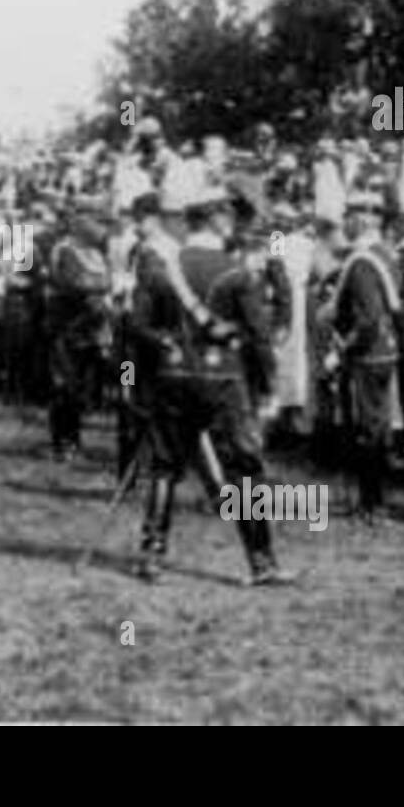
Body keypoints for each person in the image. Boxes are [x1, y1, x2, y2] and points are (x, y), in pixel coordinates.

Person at [130, 180, 292, 586]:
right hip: (224, 380)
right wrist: (270, 385)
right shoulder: (236, 272)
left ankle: (152, 556)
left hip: (173, 376)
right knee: (244, 469)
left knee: (165, 468)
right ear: (219, 219)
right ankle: (261, 562)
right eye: (229, 216)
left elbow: (137, 324)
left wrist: (163, 348)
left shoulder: (160, 266)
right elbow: (259, 336)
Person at [326, 189, 401, 522]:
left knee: (366, 429)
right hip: (385, 351)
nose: (346, 224)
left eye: (350, 217)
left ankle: (371, 504)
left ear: (359, 219)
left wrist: (345, 347)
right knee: (378, 426)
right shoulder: (384, 254)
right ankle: (373, 502)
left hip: (367, 354)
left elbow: (368, 317)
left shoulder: (361, 261)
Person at [45, 210, 113, 461]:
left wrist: (96, 286)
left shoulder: (95, 254)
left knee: (81, 389)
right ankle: (61, 442)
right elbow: (72, 284)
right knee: (64, 387)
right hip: (66, 328)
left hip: (89, 330)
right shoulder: (64, 250)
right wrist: (98, 286)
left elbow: (108, 281)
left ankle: (74, 438)